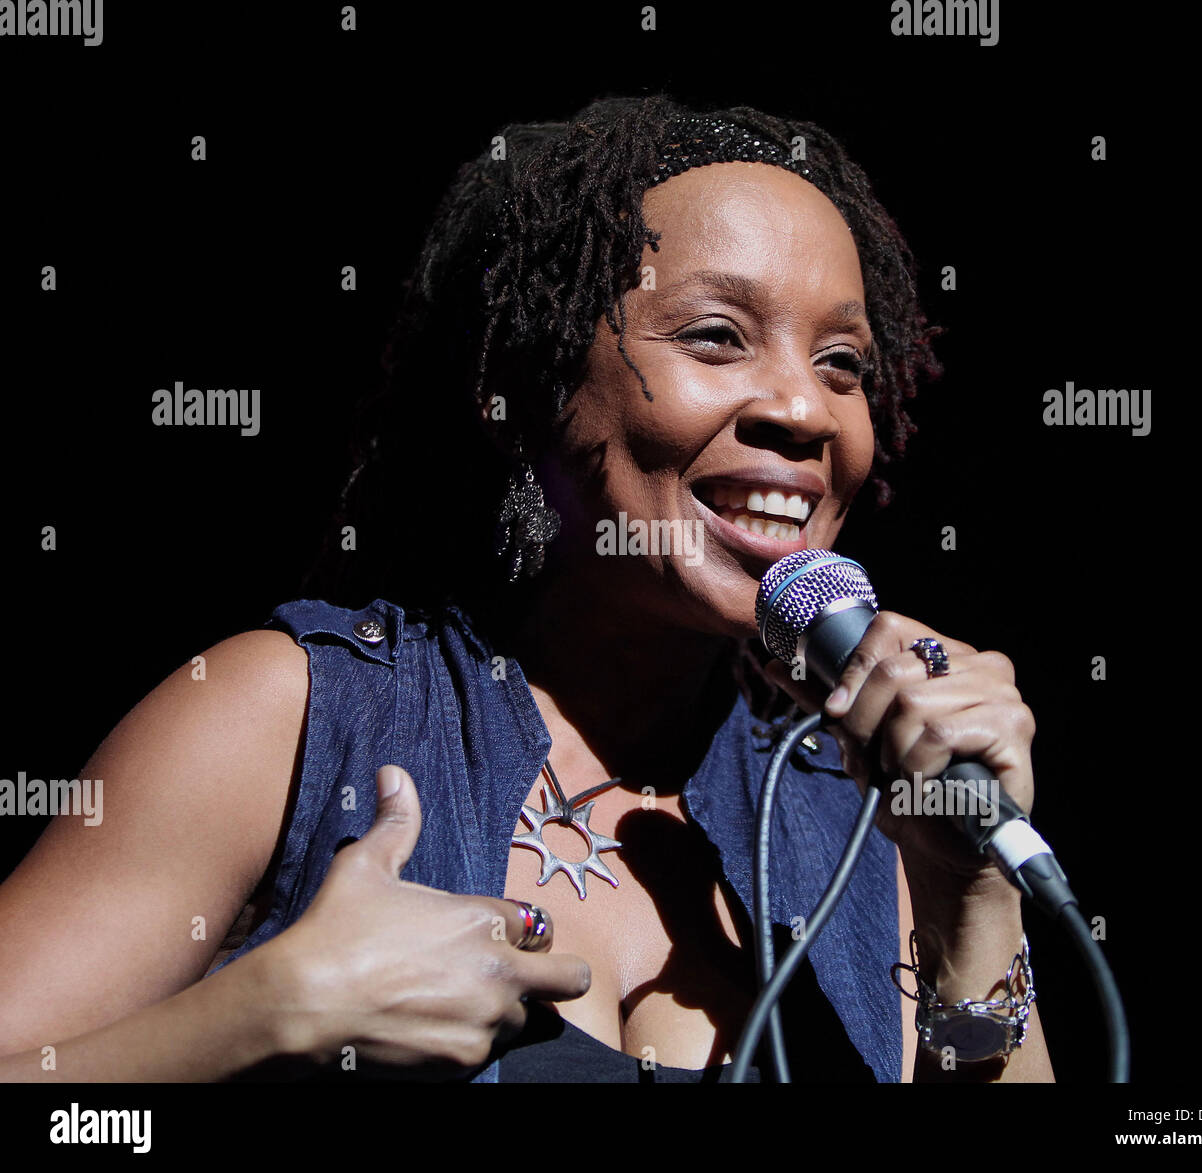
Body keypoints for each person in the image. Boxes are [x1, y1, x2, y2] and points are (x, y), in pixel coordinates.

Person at [0, 95, 1052, 1083]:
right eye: (716, 336)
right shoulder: (284, 714)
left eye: (841, 363)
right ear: (522, 383)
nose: (804, 410)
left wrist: (973, 908)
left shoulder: (881, 808)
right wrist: (260, 1016)